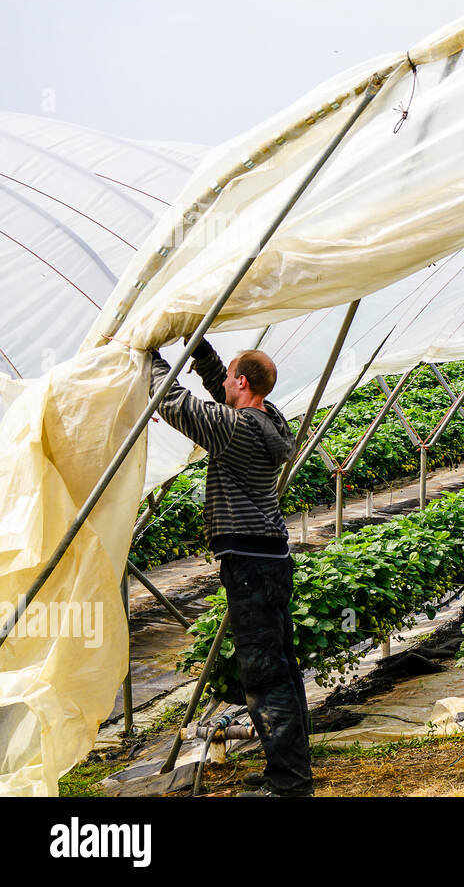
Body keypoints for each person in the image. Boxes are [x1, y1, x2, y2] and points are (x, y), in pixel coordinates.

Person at [149, 339, 313, 796]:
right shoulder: (271, 419)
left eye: (228, 378)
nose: (222, 384)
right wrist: (204, 356)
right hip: (273, 559)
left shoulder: (232, 428)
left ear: (243, 383)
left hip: (249, 565)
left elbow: (175, 402)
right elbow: (225, 392)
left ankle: (289, 786)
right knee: (283, 668)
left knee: (263, 674)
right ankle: (292, 771)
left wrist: (145, 355)